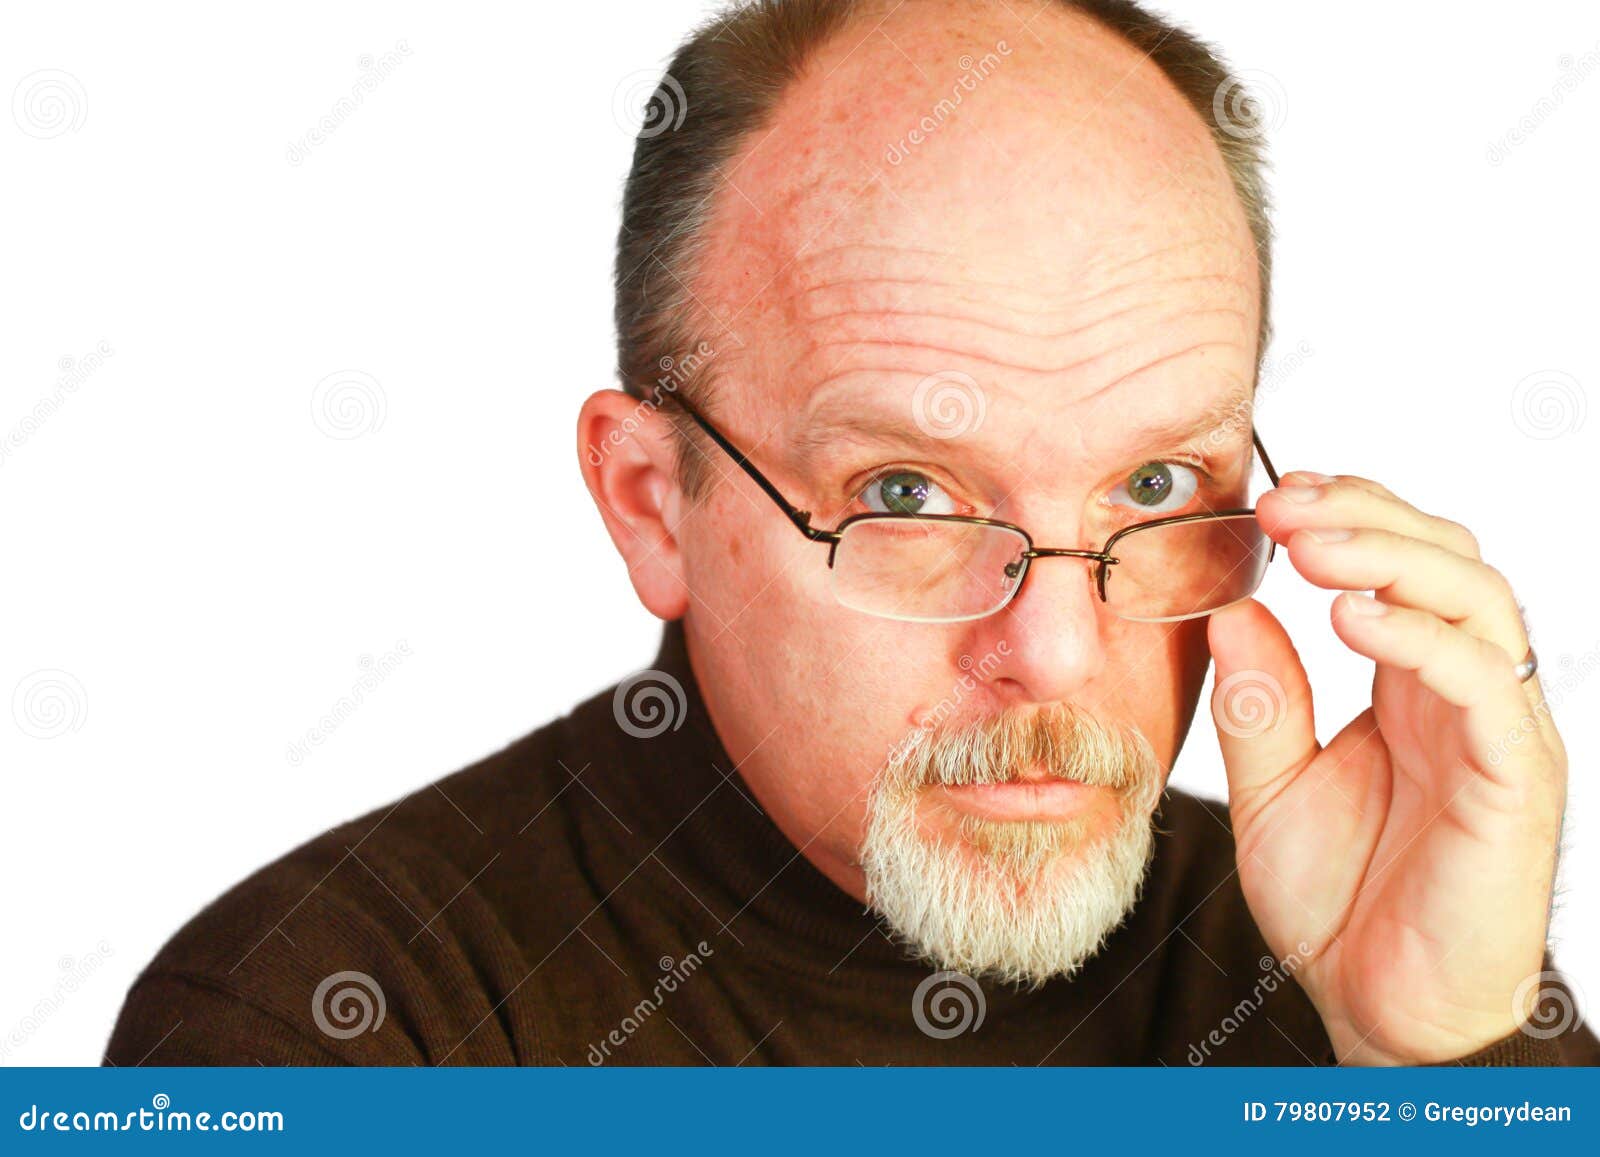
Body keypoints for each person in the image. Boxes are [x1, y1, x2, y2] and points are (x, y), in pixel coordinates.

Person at [106, 0, 1592, 1066]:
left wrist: (1451, 1063)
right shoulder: (325, 1028)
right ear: (650, 500)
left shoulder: (1334, 953)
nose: (1058, 657)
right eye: (906, 494)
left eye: (1152, 485)